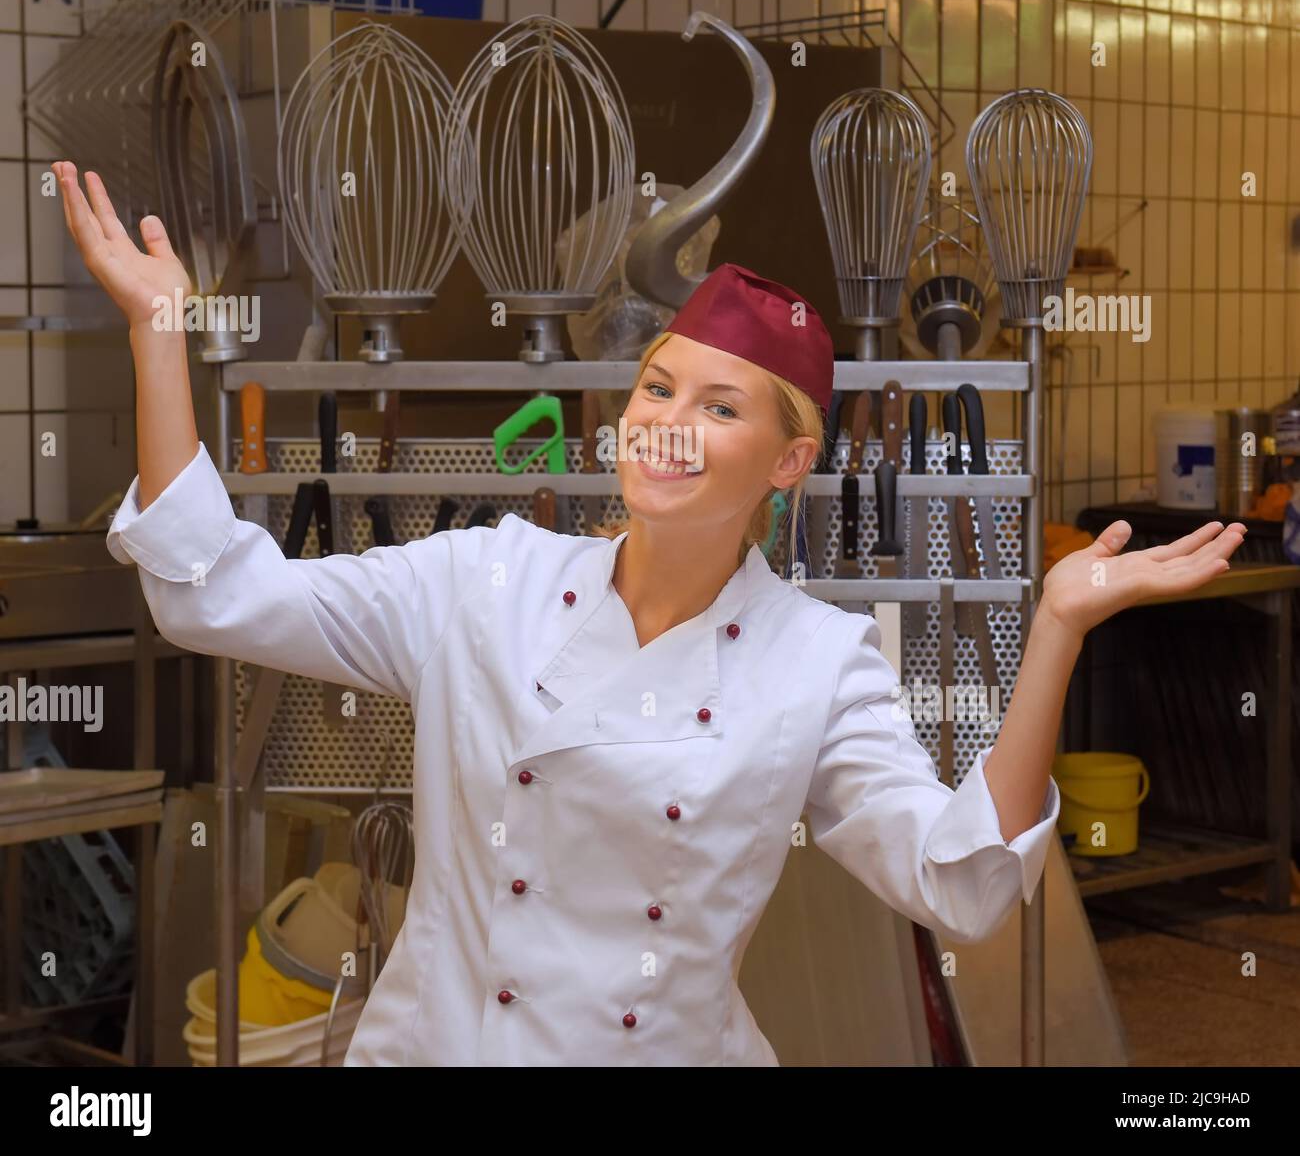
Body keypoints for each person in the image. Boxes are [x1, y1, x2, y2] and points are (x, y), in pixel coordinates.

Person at [56, 161, 1245, 1066]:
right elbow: (215, 593)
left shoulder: (817, 660)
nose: (667, 422)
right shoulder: (485, 579)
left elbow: (964, 884)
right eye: (657, 387)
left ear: (787, 461)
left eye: (719, 407)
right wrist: (160, 334)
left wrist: (1055, 628)